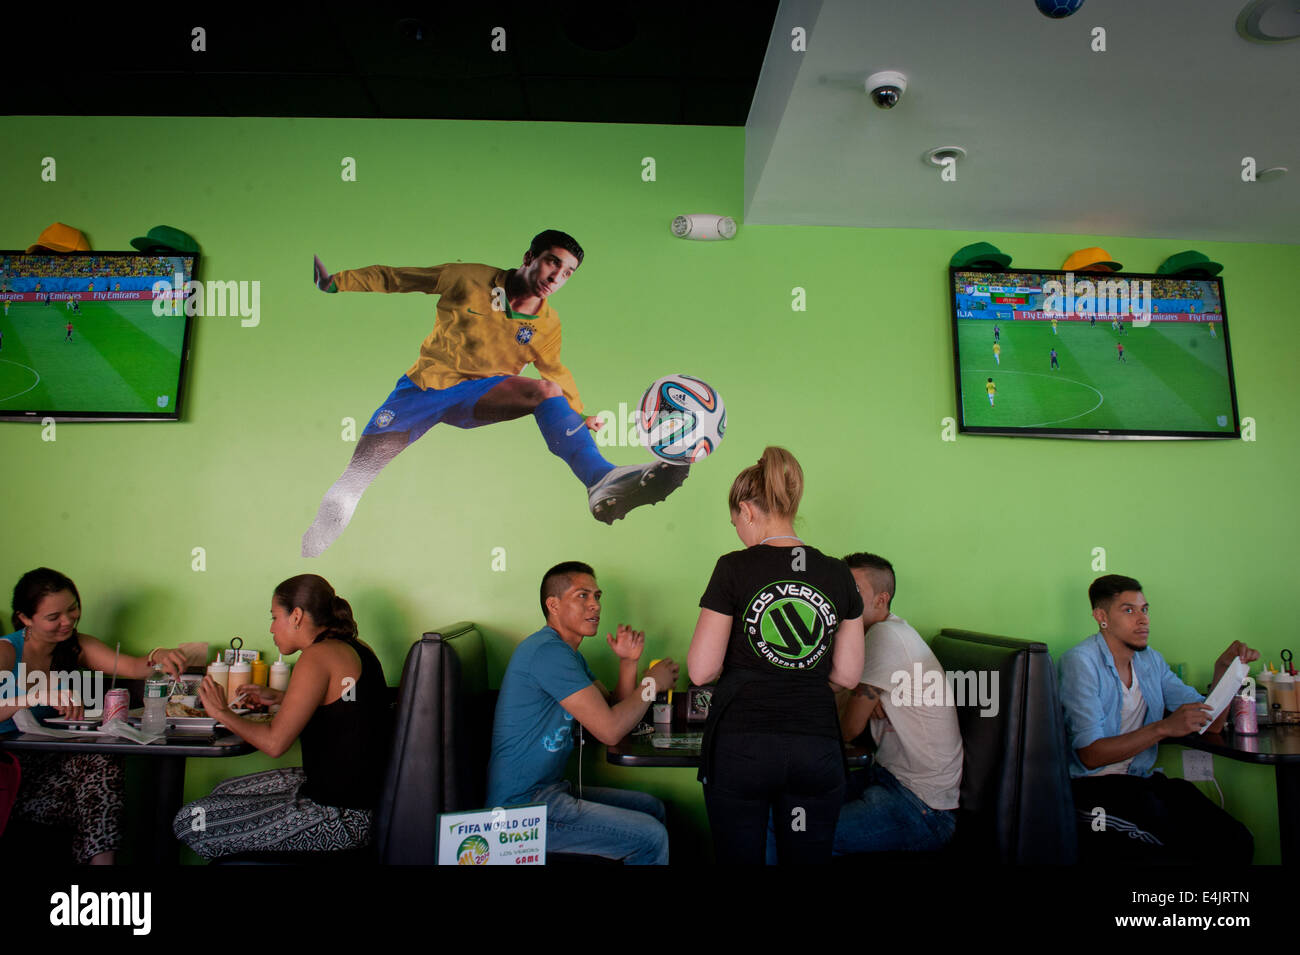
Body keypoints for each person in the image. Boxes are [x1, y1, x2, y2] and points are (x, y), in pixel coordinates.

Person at [301, 230, 689, 557]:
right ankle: (315, 540)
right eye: (553, 262)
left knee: (545, 389)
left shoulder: (547, 323)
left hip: (482, 394)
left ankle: (600, 478)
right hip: (424, 389)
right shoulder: (467, 278)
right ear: (529, 257)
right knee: (357, 475)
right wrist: (336, 281)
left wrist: (578, 413)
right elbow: (399, 278)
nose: (557, 276)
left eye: (568, 272)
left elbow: (553, 369)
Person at [687, 446, 864, 863]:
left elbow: (701, 670)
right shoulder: (838, 573)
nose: (738, 533)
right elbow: (849, 675)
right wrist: (797, 676)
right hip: (816, 749)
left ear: (747, 511)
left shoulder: (733, 567)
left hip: (741, 750)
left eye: (736, 523)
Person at [173, 574, 388, 860]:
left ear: (296, 616)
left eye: (275, 617)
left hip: (342, 818)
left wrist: (221, 712)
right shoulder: (353, 647)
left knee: (191, 822)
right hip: (357, 801)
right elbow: (345, 710)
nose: (272, 628)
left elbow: (275, 744)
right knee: (223, 790)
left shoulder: (317, 656)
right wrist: (282, 698)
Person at [486, 561, 677, 864]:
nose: (595, 606)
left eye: (597, 596)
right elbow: (610, 730)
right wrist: (652, 686)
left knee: (652, 808)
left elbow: (613, 708)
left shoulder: (567, 654)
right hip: (522, 809)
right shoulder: (547, 653)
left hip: (549, 791)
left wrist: (628, 662)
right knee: (650, 837)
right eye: (582, 596)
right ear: (554, 605)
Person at [1058, 574, 1256, 864]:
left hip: (1142, 779)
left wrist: (1224, 670)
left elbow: (1210, 722)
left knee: (1235, 840)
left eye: (1145, 609)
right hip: (1094, 789)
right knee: (1177, 851)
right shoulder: (1080, 662)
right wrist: (1163, 728)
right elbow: (1090, 754)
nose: (1142, 620)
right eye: (1128, 610)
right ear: (1101, 617)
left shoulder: (1151, 661)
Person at [1, 568, 188, 864]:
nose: (67, 622)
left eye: (73, 609)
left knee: (100, 765)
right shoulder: (7, 652)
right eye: (54, 617)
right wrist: (32, 696)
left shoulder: (74, 645)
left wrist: (159, 653)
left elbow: (135, 667)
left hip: (57, 764)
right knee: (96, 800)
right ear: (25, 618)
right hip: (13, 775)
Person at [832, 553, 962, 854]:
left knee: (794, 831)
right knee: (790, 807)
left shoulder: (886, 636)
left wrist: (856, 698)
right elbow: (838, 696)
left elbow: (848, 728)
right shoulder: (875, 637)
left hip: (923, 806)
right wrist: (859, 697)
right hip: (888, 779)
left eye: (853, 590)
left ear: (881, 599)